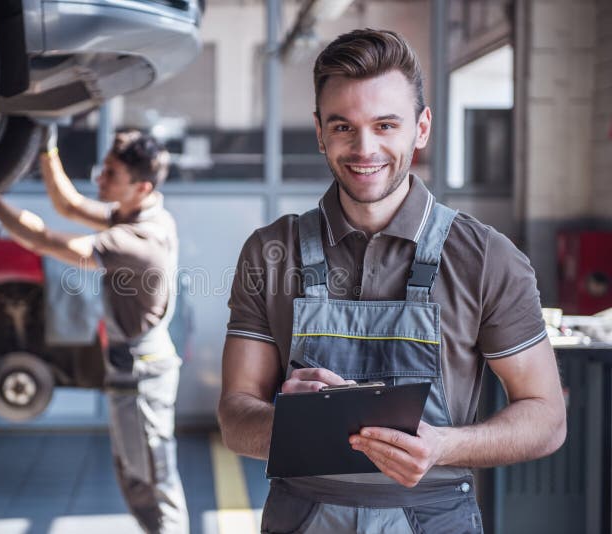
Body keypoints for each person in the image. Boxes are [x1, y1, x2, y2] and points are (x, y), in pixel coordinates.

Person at [218, 28, 566, 533]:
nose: (365, 149)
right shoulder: (271, 252)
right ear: (319, 132)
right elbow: (234, 416)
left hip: (435, 517)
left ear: (421, 128)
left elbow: (547, 416)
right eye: (343, 127)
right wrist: (293, 423)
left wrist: (443, 445)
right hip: (304, 517)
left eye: (386, 125)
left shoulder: (487, 258)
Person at [0, 127, 189, 534]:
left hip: (141, 376)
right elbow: (68, 204)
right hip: (133, 369)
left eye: (110, 174)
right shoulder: (139, 211)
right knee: (137, 480)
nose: (99, 178)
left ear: (141, 186)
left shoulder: (138, 238)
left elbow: (44, 240)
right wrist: (46, 147)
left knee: (151, 483)